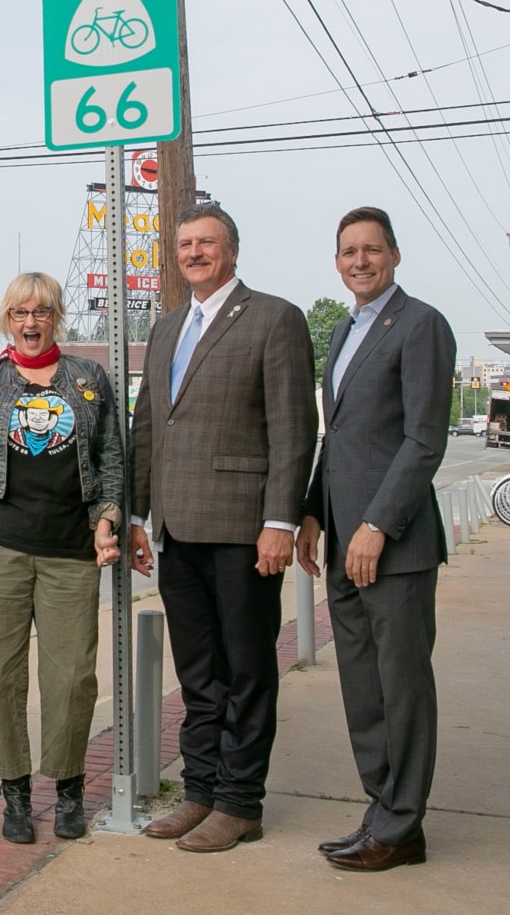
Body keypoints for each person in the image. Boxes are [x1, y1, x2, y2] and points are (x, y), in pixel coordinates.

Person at [129, 202, 317, 852]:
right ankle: (201, 792)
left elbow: (294, 429)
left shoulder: (274, 318)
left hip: (244, 530)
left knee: (247, 671)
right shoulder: (167, 328)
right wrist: (134, 512)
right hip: (177, 528)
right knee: (199, 674)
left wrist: (280, 521)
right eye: (185, 244)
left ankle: (241, 803)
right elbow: (149, 427)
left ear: (232, 250)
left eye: (207, 243)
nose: (195, 253)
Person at [297, 207, 456, 872]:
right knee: (363, 687)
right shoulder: (342, 332)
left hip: (394, 547)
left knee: (402, 686)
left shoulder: (421, 326)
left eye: (371, 249)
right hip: (342, 539)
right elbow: (338, 437)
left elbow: (424, 440)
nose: (359, 261)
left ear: (394, 255)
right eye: (348, 251)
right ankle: (382, 813)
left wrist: (374, 526)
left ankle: (401, 824)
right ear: (337, 261)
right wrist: (310, 511)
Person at [0, 271, 124, 845]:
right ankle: (15, 794)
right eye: (19, 314)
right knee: (1, 677)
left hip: (71, 551)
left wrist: (109, 517)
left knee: (72, 678)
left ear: (56, 318)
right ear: (6, 320)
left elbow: (112, 460)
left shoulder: (87, 377)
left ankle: (68, 787)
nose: (30, 323)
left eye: (41, 313)